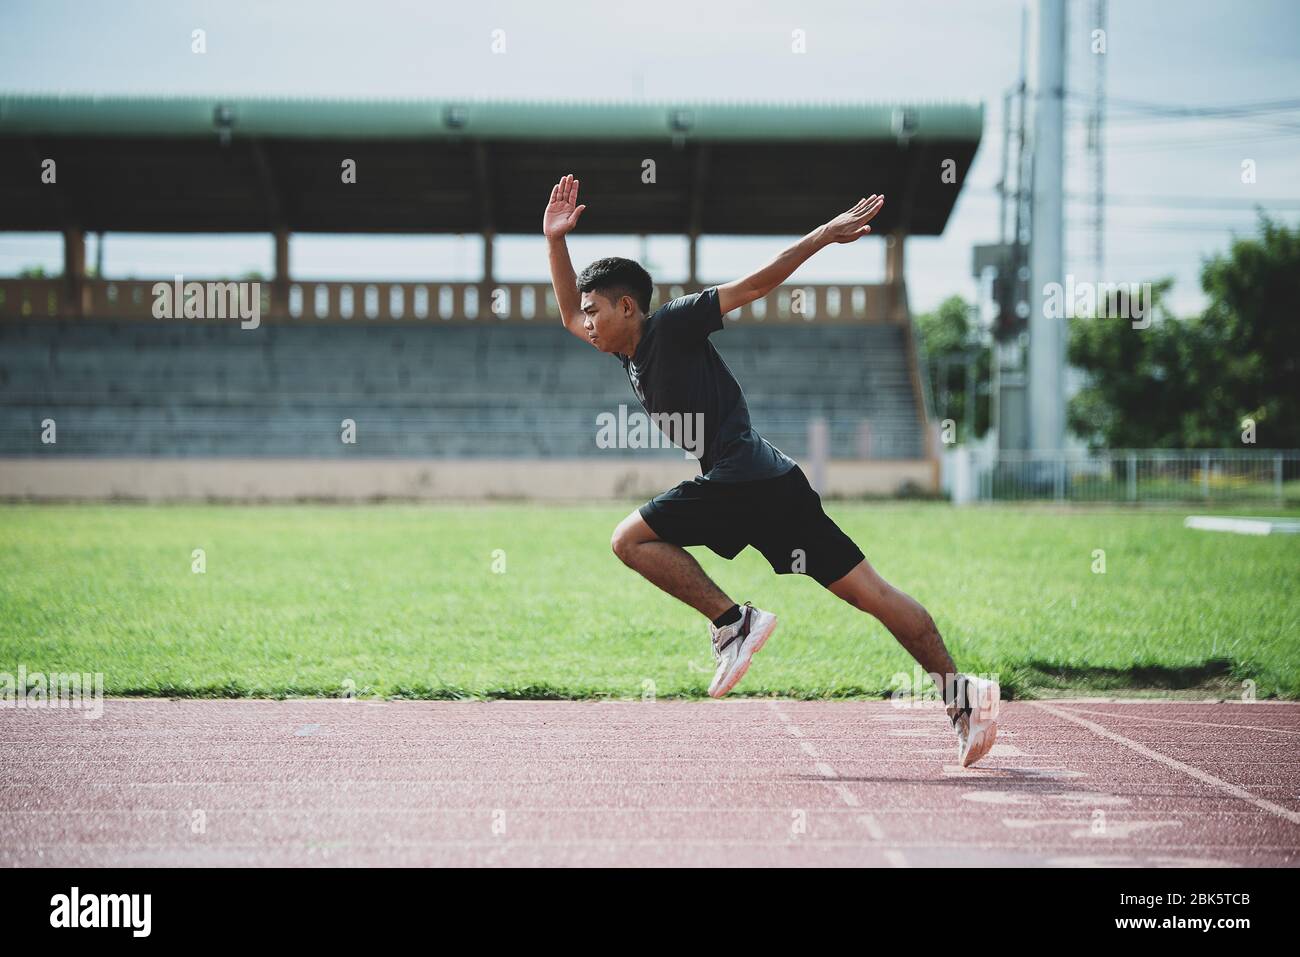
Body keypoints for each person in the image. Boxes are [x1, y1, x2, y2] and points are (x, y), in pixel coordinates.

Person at [542, 174, 998, 766]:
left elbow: (757, 282)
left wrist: (825, 236)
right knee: (873, 593)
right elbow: (565, 319)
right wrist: (555, 240)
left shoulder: (673, 325)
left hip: (740, 476)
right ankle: (965, 697)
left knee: (628, 539)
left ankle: (735, 624)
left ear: (628, 306)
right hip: (773, 485)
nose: (587, 323)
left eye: (595, 310)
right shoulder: (629, 354)